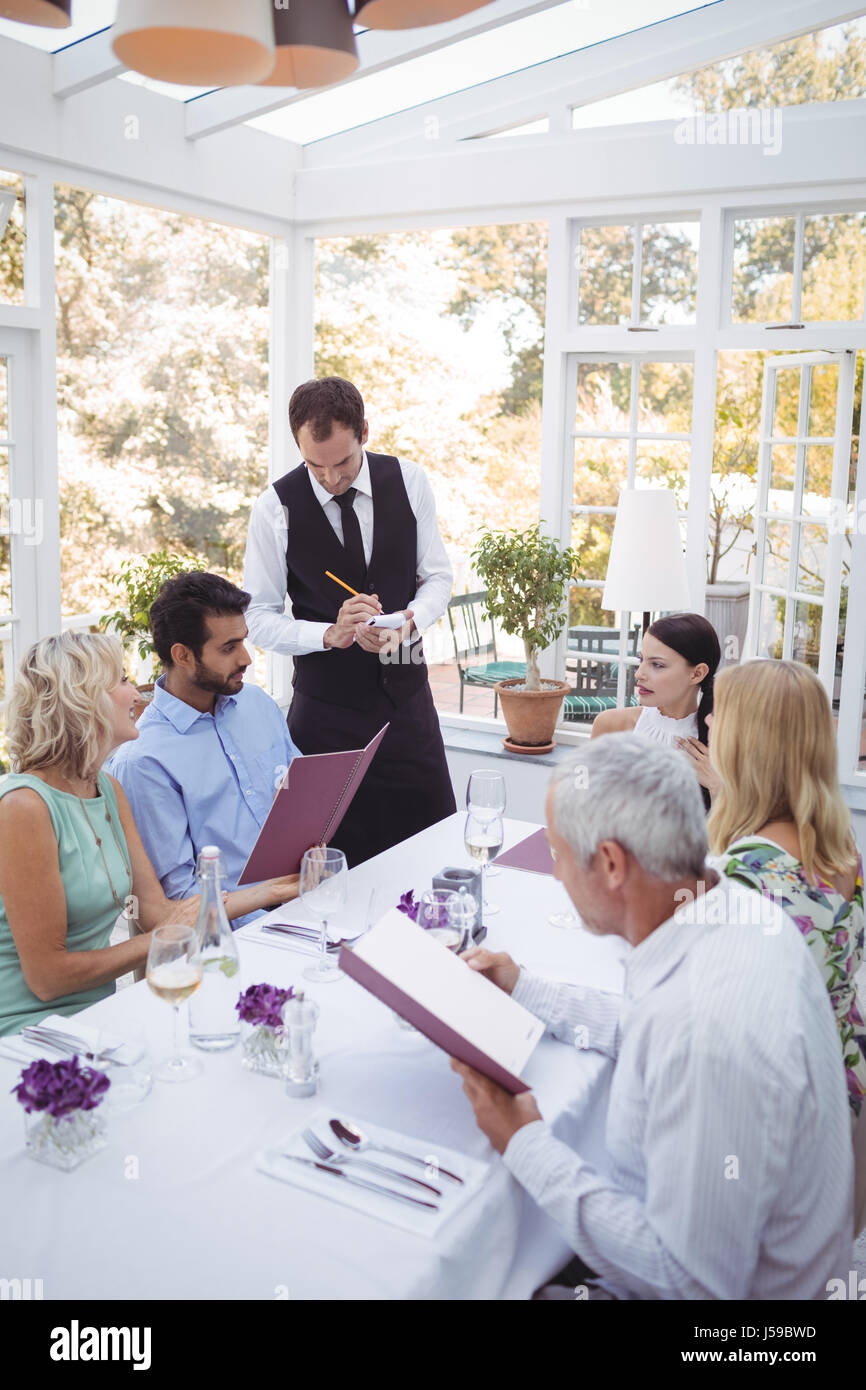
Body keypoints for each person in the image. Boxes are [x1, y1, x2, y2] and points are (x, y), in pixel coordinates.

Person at [451, 735, 853, 1300]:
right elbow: (648, 1022)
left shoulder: (705, 1035)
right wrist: (524, 987)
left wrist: (522, 1141)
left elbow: (690, 1283)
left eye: (557, 853)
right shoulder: (735, 908)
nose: (557, 872)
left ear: (612, 863)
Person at [0, 633, 286, 1036]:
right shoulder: (23, 806)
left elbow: (161, 914)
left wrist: (271, 892)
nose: (136, 692)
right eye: (119, 680)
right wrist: (171, 935)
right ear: (81, 700)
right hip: (26, 1030)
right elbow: (48, 979)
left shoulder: (107, 789)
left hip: (96, 1019)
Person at [242, 375, 457, 867]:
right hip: (324, 723)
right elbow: (255, 615)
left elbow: (438, 576)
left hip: (408, 710)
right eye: (315, 465)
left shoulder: (409, 480)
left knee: (433, 855)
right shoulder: (274, 508)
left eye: (341, 462)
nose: (331, 478)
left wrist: (411, 620)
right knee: (327, 869)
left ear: (364, 431)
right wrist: (328, 634)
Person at [707, 659, 866, 1117]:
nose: (710, 720)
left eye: (721, 713)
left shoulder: (742, 874)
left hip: (782, 1110)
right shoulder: (841, 845)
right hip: (840, 1076)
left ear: (747, 743)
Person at [109, 572, 303, 928]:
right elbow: (177, 898)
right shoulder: (142, 760)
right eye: (228, 648)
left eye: (243, 642)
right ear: (182, 655)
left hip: (306, 896)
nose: (246, 658)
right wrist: (278, 921)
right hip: (237, 936)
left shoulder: (257, 703)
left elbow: (303, 798)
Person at [592, 611, 721, 808]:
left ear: (697, 674)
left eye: (657, 665)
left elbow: (731, 835)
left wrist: (717, 786)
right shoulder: (611, 726)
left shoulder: (721, 746)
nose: (639, 674)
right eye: (640, 659)